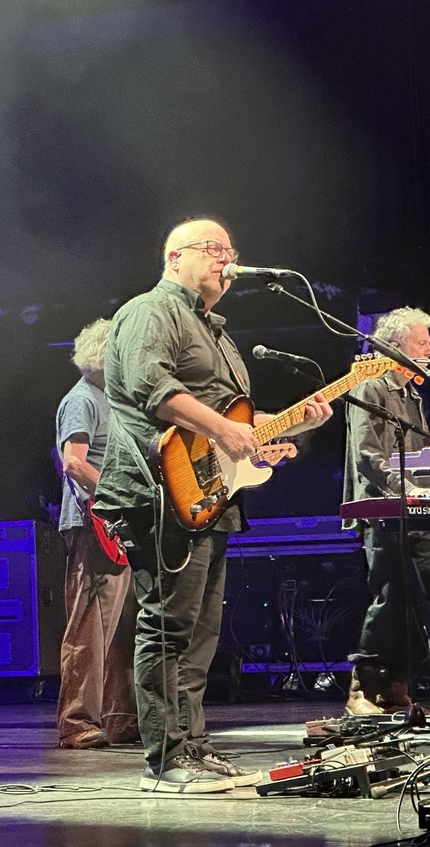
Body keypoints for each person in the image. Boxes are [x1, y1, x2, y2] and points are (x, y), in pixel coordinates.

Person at [95, 218, 333, 793]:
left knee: (200, 633)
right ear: (174, 257)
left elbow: (231, 424)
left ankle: (194, 747)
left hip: (208, 496)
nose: (227, 259)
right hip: (158, 492)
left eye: (231, 250)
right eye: (213, 248)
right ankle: (165, 758)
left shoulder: (218, 334)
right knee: (167, 625)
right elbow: (154, 389)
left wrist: (286, 430)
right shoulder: (151, 311)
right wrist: (226, 431)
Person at [342, 307, 430, 716]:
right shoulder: (369, 387)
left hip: (416, 511)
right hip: (383, 511)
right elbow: (367, 455)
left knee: (416, 598)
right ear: (395, 346)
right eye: (422, 342)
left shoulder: (412, 395)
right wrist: (407, 490)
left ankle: (395, 688)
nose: (429, 349)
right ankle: (363, 687)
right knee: (391, 596)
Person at [55, 318, 137, 749]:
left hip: (118, 525)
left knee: (122, 626)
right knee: (89, 625)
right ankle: (77, 722)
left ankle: (122, 718)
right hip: (94, 524)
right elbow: (73, 462)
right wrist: (115, 495)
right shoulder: (82, 399)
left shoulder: (112, 399)